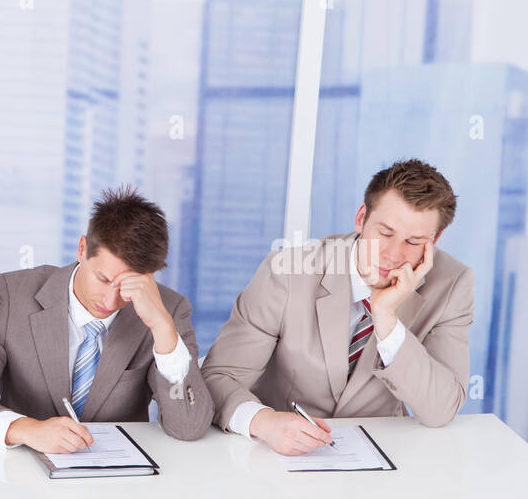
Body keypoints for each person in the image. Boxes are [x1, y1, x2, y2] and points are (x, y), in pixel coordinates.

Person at [202, 158, 472, 455]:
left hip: (378, 459)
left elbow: (441, 409)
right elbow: (219, 377)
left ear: (435, 241)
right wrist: (263, 422)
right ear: (361, 218)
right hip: (276, 455)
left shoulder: (452, 284)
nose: (394, 255)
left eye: (414, 241)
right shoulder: (288, 272)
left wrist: (386, 319)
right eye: (385, 233)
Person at [0, 186, 212, 452]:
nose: (111, 301)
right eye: (103, 279)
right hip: (21, 476)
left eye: (127, 287)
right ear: (82, 249)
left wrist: (162, 329)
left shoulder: (169, 311)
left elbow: (188, 427)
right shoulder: (11, 296)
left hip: (119, 484)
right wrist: (24, 428)